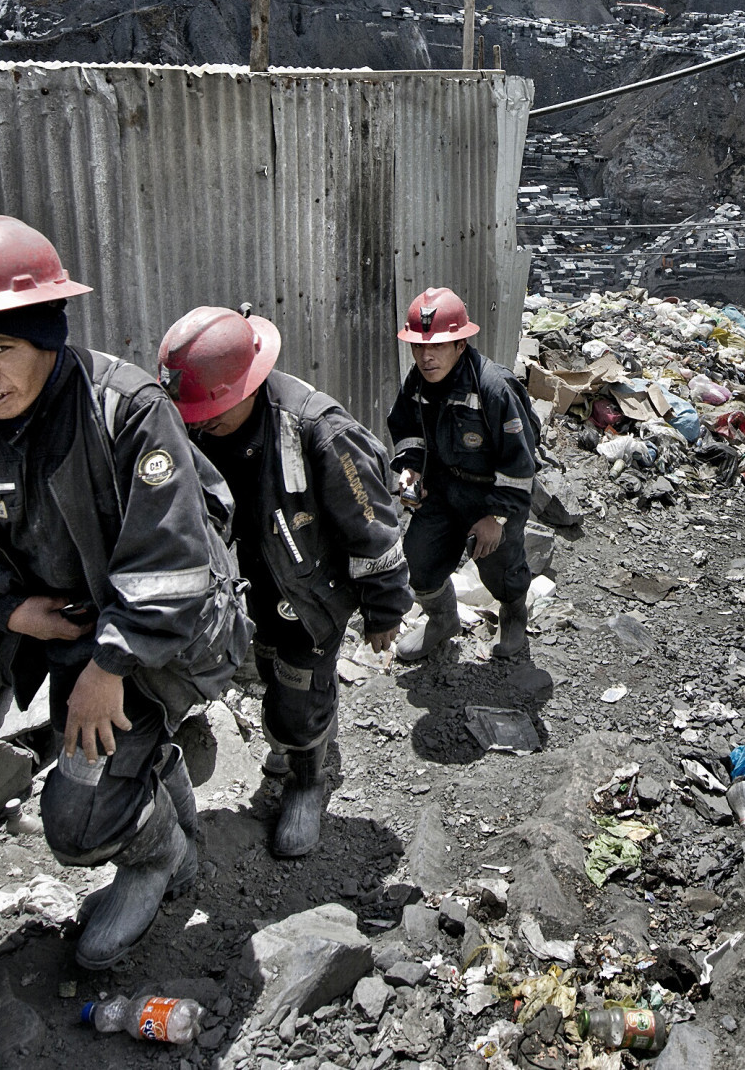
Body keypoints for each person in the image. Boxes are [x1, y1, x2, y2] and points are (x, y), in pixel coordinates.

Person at [0, 215, 251, 971]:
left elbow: (173, 561)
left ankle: (151, 857)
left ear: (48, 337)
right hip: (72, 639)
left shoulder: (126, 409)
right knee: (86, 799)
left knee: (72, 826)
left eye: (0, 348)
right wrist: (7, 607)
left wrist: (108, 670)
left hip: (165, 637)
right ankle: (162, 826)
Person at [161, 303, 412, 858]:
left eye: (210, 415)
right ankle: (303, 739)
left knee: (298, 690)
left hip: (311, 592)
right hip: (253, 582)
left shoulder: (316, 431)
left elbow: (372, 528)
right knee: (273, 675)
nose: (200, 425)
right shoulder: (200, 425)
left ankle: (307, 781)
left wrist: (385, 610)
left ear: (247, 386)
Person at [386, 287, 540, 666]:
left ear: (460, 344)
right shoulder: (418, 382)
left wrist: (497, 518)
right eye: (419, 347)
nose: (426, 356)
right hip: (442, 488)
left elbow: (520, 467)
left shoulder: (493, 388)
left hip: (491, 494)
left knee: (501, 565)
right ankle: (442, 619)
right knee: (419, 560)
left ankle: (513, 614)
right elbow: (408, 431)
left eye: (438, 346)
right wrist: (411, 471)